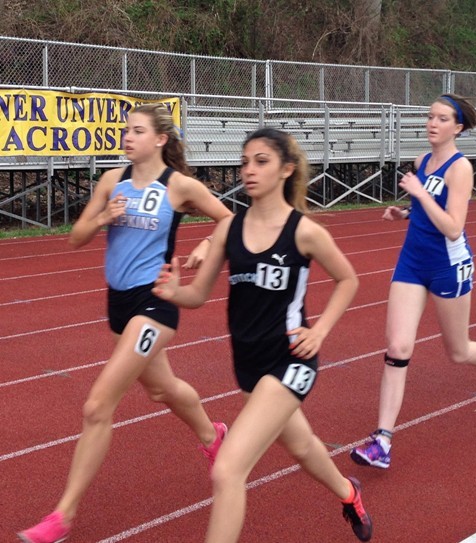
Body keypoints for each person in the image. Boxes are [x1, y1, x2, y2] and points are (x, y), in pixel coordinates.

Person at [18, 103, 233, 543]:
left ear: (159, 139)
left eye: (136, 130)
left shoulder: (179, 187)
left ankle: (62, 517)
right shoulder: (111, 181)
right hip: (118, 304)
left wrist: (208, 246)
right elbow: (76, 237)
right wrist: (102, 218)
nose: (127, 136)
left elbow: (228, 217)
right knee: (161, 388)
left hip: (154, 304)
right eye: (125, 130)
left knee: (98, 405)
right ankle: (214, 437)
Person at [152, 127, 372, 542]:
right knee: (302, 447)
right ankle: (348, 492)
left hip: (291, 358)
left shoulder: (303, 231)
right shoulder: (229, 229)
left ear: (286, 169)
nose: (248, 170)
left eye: (261, 161)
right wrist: (172, 292)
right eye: (245, 162)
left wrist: (320, 330)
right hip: (248, 363)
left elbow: (348, 279)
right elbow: (198, 295)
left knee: (228, 469)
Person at [350, 94, 476, 470]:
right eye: (430, 116)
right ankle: (382, 440)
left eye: (442, 118)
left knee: (458, 351)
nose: (432, 123)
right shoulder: (422, 162)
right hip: (412, 262)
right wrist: (404, 212)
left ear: (457, 127)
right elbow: (426, 207)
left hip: (448, 265)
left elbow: (452, 226)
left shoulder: (460, 168)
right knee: (397, 346)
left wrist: (416, 194)